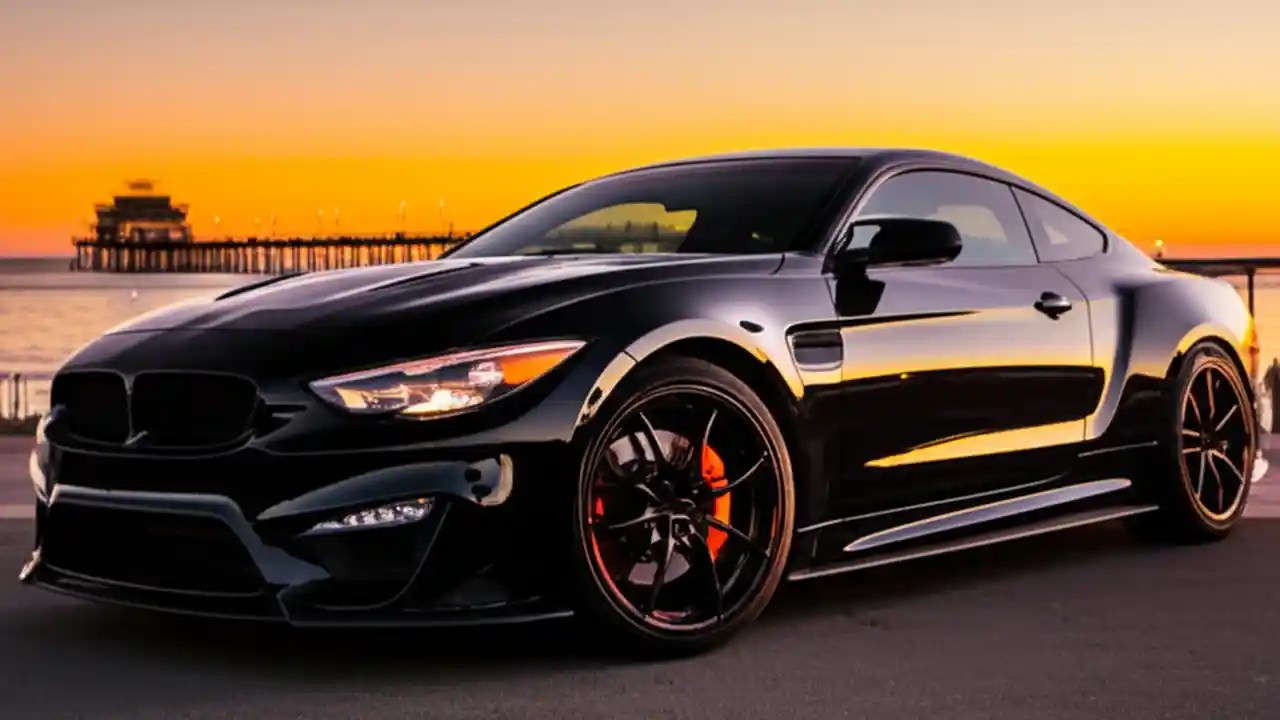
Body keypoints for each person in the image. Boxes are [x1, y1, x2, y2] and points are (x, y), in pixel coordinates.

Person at [1265, 358, 1280, 433]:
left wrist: (1267, 388)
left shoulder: (1271, 369)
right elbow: (1266, 378)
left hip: (1275, 392)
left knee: (1276, 410)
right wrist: (1267, 388)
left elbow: (1266, 379)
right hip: (1275, 392)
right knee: (1275, 410)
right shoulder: (1272, 369)